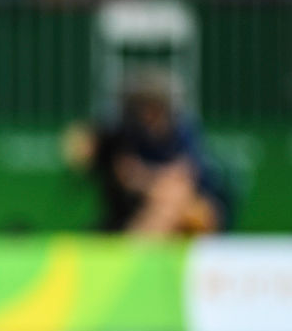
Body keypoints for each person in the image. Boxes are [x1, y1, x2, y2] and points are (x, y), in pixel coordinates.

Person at [62, 67, 231, 235]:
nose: (147, 114)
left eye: (153, 106)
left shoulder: (183, 131)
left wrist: (144, 178)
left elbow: (180, 180)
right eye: (142, 106)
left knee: (173, 201)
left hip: (190, 210)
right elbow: (90, 153)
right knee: (166, 202)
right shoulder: (125, 131)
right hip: (136, 211)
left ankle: (137, 250)